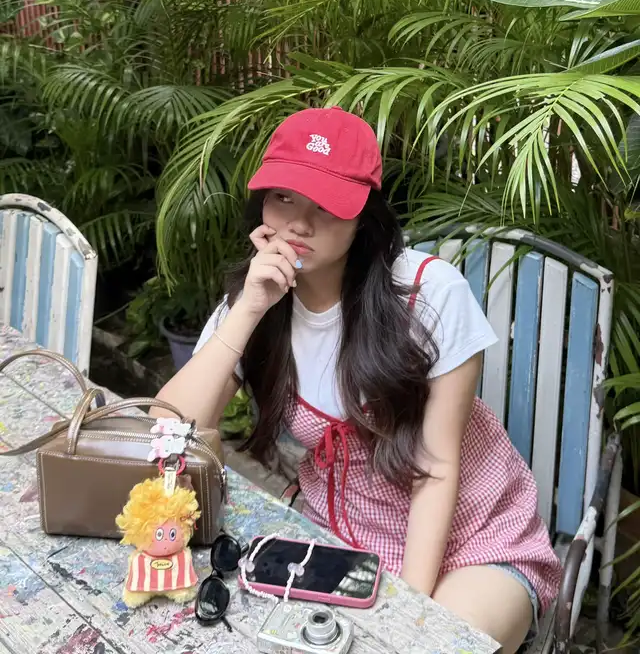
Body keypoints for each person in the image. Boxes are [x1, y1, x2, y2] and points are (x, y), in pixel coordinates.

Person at [155, 106, 562, 652]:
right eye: (284, 197)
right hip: (340, 530)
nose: (299, 223)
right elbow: (167, 428)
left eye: (325, 205)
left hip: (474, 538)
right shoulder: (257, 298)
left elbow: (436, 470)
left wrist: (407, 616)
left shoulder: (429, 295)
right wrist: (248, 309)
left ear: (363, 216)